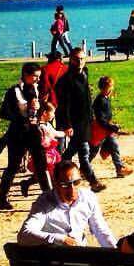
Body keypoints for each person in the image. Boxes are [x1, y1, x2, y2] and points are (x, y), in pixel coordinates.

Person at [0, 62, 52, 208]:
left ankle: (50, 196)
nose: (38, 80)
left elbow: (37, 111)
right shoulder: (13, 91)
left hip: (33, 132)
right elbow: (4, 113)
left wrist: (39, 110)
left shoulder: (35, 89)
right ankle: (2, 198)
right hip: (18, 133)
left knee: (42, 165)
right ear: (26, 75)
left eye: (39, 77)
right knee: (13, 166)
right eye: (35, 77)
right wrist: (25, 109)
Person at [54, 47, 106, 193]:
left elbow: (86, 98)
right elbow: (65, 105)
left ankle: (54, 171)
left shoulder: (85, 72)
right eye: (77, 59)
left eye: (82, 58)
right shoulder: (66, 81)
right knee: (83, 152)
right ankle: (93, 182)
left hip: (86, 121)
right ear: (70, 60)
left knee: (70, 153)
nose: (80, 62)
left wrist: (92, 116)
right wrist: (67, 125)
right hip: (74, 122)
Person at [21, 100, 71, 196]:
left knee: (43, 174)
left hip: (50, 154)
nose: (53, 115)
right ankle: (51, 192)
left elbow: (56, 133)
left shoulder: (48, 125)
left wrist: (65, 133)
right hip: (45, 155)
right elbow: (54, 134)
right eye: (52, 113)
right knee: (46, 173)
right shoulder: (42, 127)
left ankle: (27, 183)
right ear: (44, 113)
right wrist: (65, 133)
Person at [91, 75, 133, 178]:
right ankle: (84, 167)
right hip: (101, 130)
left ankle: (119, 168)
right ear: (103, 88)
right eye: (109, 87)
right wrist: (112, 127)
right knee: (94, 150)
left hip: (106, 129)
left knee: (114, 146)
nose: (110, 89)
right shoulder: (100, 100)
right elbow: (101, 119)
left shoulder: (105, 99)